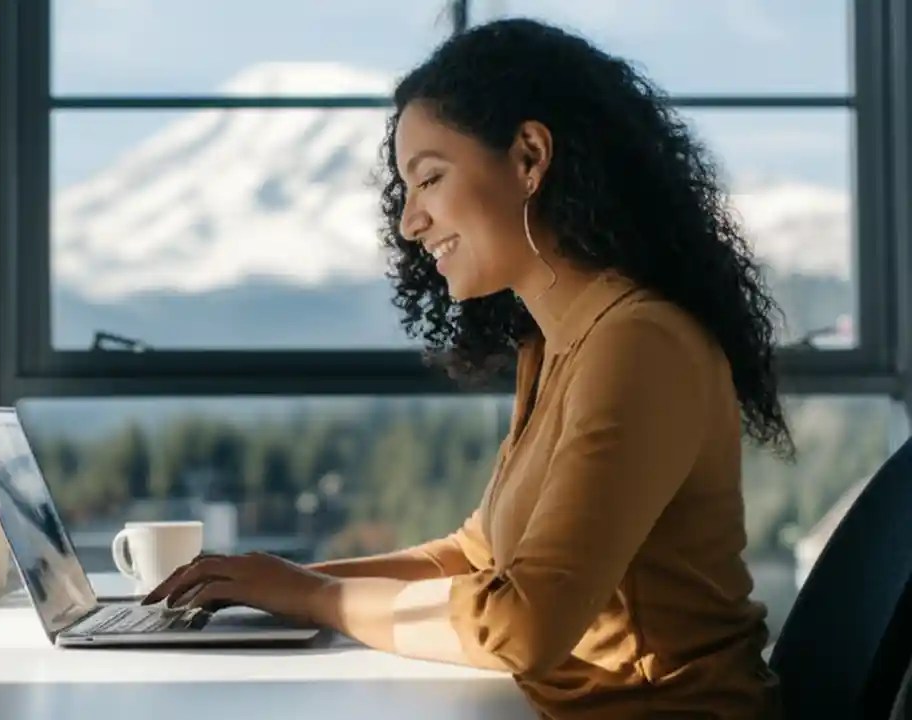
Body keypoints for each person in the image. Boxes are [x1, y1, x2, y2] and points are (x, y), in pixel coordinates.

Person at [143, 18, 790, 719]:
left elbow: (524, 626)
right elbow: (475, 555)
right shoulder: (557, 344)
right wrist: (275, 583)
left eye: (429, 178)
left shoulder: (639, 344)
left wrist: (314, 598)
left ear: (529, 158)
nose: (408, 222)